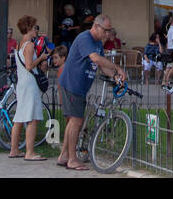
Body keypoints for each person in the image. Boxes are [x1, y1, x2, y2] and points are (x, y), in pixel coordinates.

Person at [56, 14, 124, 172]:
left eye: (109, 31)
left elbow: (102, 66)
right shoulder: (85, 38)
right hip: (73, 84)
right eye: (106, 30)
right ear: (96, 26)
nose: (108, 34)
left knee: (73, 121)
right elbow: (96, 59)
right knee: (76, 122)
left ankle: (64, 155)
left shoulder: (98, 44)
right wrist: (118, 68)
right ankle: (72, 159)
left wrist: (114, 76)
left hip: (79, 86)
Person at [8, 16, 50, 161]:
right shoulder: (30, 45)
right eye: (34, 28)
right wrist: (41, 58)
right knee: (32, 118)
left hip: (22, 83)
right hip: (30, 83)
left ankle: (14, 149)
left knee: (19, 117)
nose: (36, 31)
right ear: (29, 28)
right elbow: (29, 66)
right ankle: (30, 152)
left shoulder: (20, 44)